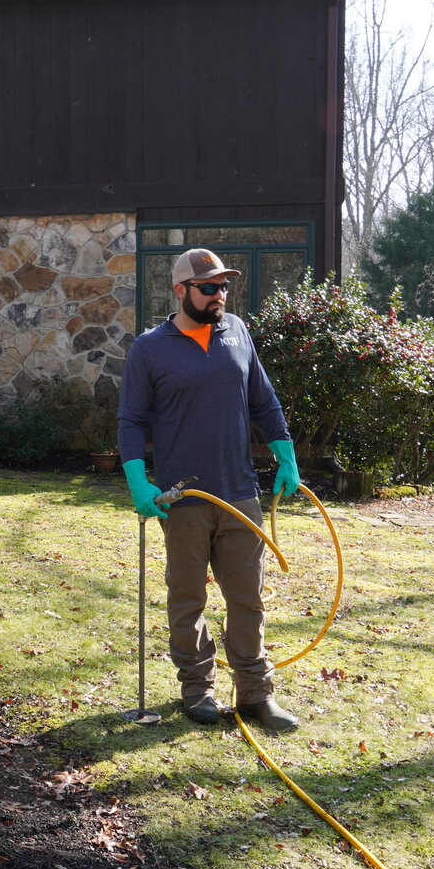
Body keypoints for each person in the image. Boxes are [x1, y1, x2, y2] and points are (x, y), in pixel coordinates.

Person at [116, 248, 301, 732]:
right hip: (183, 497)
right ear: (181, 291)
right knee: (186, 597)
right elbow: (132, 420)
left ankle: (256, 695)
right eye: (208, 287)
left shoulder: (237, 332)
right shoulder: (150, 348)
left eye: (223, 286)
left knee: (248, 597)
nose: (220, 295)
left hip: (239, 491)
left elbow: (263, 399)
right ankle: (197, 689)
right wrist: (138, 479)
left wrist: (285, 452)